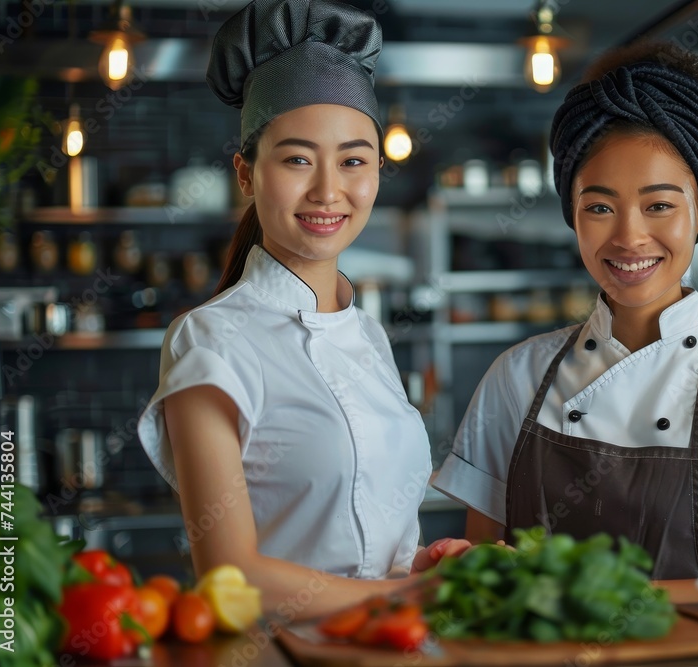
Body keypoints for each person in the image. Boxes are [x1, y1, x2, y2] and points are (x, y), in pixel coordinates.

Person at [432, 42, 698, 578]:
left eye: (659, 206)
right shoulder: (515, 378)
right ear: (573, 218)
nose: (629, 237)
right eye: (600, 207)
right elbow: (481, 583)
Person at [138, 0, 467, 617]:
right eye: (296, 159)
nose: (327, 190)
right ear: (244, 173)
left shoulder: (369, 335)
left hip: (391, 648)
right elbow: (230, 577)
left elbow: (373, 541)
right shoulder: (209, 340)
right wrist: (413, 592)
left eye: (353, 161)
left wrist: (420, 566)